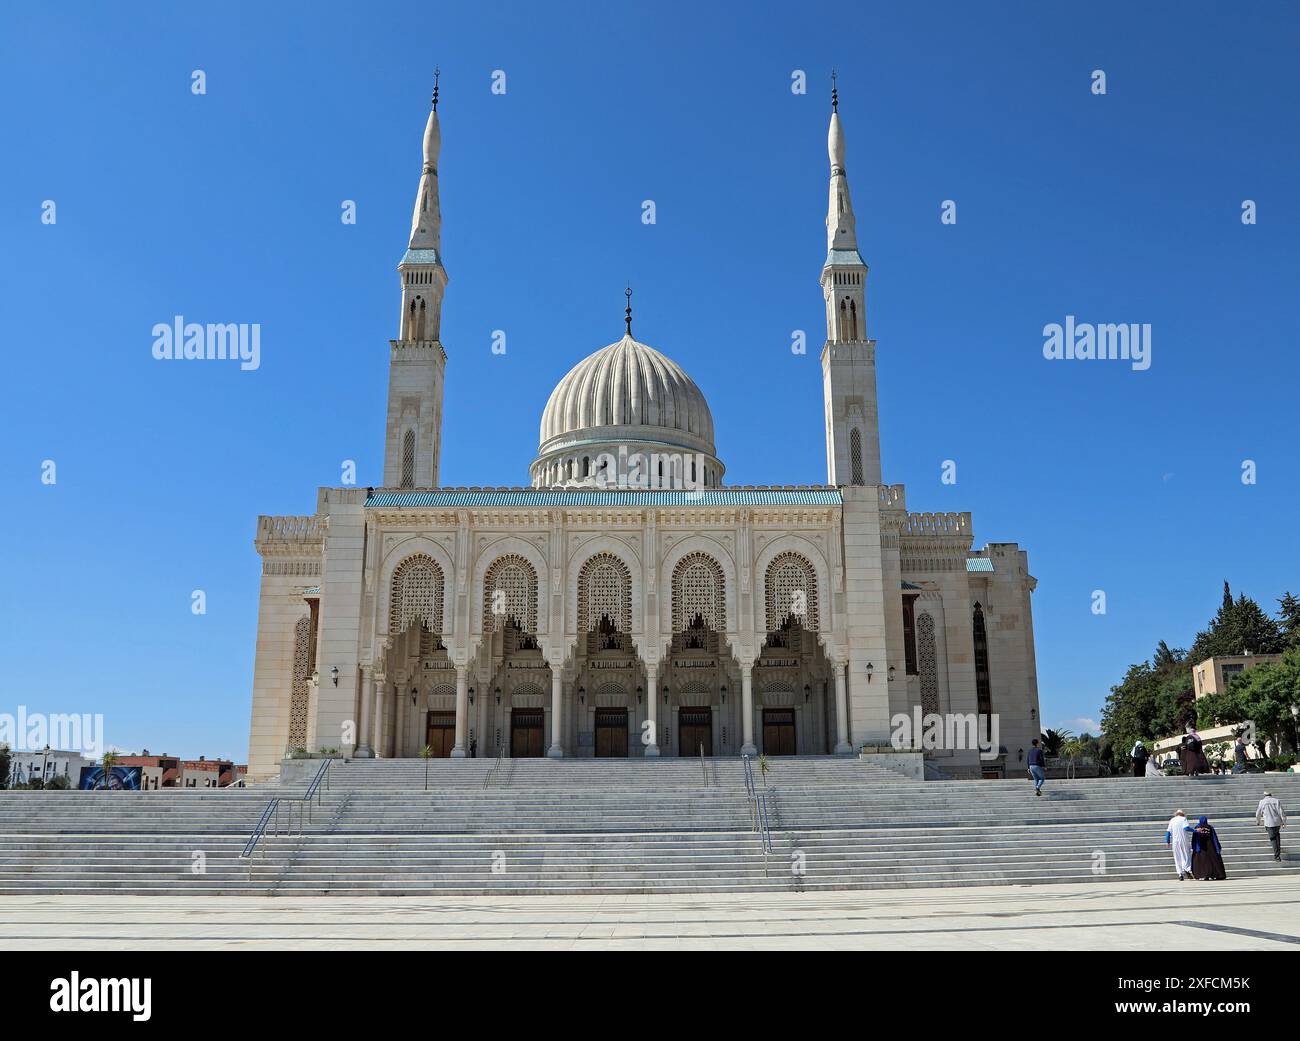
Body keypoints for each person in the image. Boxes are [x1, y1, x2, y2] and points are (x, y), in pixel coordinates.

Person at [1190, 815, 1227, 880]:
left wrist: (1194, 846)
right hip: (1211, 847)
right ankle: (1216, 875)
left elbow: (1194, 838)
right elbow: (1214, 838)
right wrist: (1217, 847)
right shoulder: (1210, 827)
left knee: (1202, 862)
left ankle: (1204, 875)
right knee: (1212, 861)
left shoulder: (1197, 827)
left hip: (1201, 848)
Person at [1255, 790, 1287, 862]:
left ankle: (1277, 856)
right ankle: (1277, 853)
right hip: (1277, 822)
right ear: (1271, 794)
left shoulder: (1262, 802)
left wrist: (1258, 821)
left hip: (1268, 823)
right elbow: (1281, 812)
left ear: (1264, 795)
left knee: (1273, 839)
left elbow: (1258, 813)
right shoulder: (1276, 801)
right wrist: (1284, 822)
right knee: (1277, 837)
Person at [1165, 809, 1193, 881]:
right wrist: (1195, 830)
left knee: (1177, 856)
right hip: (1183, 840)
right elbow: (1186, 828)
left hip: (1175, 841)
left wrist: (1168, 841)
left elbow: (1168, 832)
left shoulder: (1172, 820)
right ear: (1182, 814)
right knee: (1186, 855)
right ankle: (1187, 869)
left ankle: (1180, 874)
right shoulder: (1184, 819)